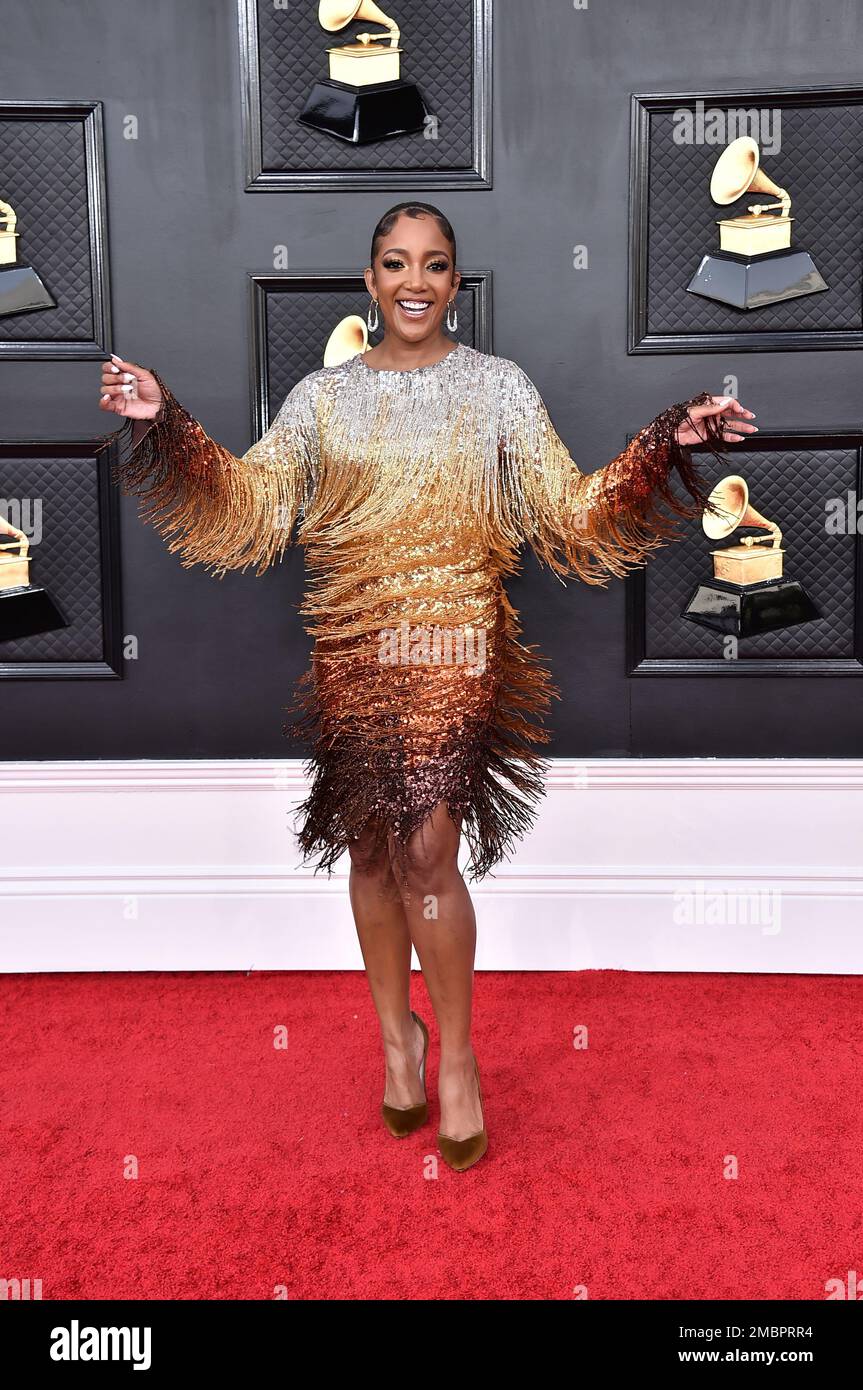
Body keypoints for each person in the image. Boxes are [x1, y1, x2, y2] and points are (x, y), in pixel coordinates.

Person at [98, 201, 757, 1173]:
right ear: (369, 281)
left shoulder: (497, 391)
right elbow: (251, 504)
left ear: (454, 283)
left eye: (435, 265)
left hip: (454, 645)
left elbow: (568, 513)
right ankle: (393, 1039)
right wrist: (169, 421)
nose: (414, 281)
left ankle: (455, 1058)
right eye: (396, 263)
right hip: (355, 652)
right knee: (369, 849)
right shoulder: (321, 398)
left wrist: (670, 441)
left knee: (428, 848)